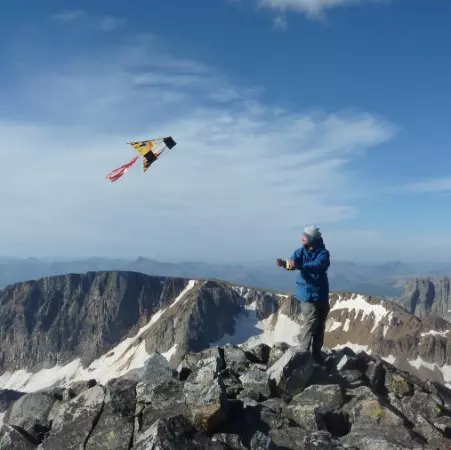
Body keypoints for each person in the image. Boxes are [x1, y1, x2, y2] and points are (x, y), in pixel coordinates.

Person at [276, 225, 330, 364]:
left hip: (320, 294)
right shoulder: (300, 252)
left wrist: (300, 266)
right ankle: (303, 352)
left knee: (320, 325)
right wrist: (284, 264)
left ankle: (316, 354)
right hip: (305, 292)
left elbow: (319, 266)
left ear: (312, 239)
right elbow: (292, 264)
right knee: (311, 319)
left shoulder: (323, 253)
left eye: (305, 236)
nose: (302, 238)